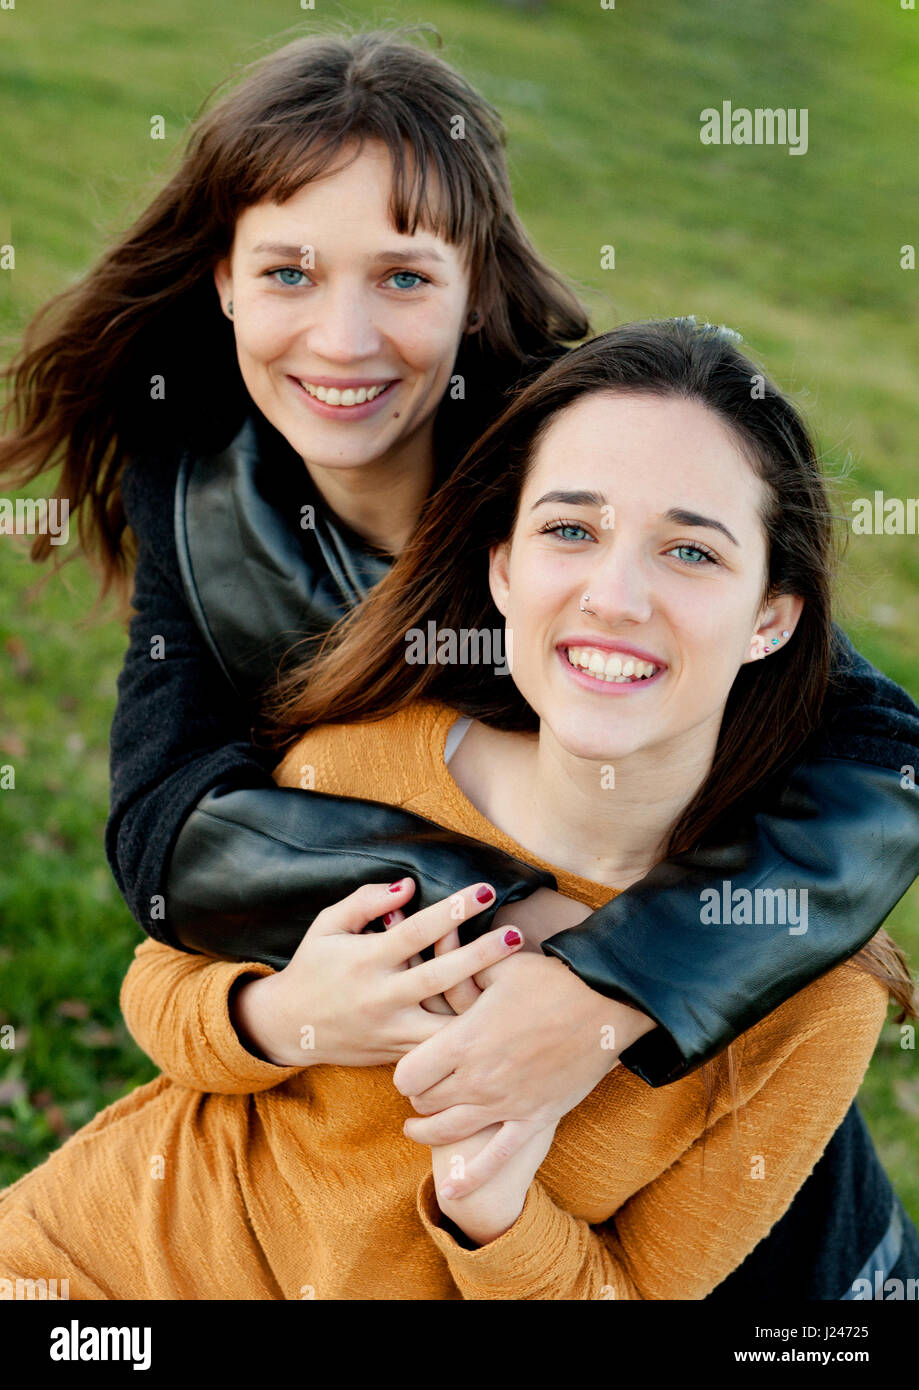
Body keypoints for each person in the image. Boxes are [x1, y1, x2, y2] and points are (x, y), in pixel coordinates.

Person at [2, 28, 918, 1195]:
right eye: (288, 272)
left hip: (687, 1075)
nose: (344, 340)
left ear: (472, 281)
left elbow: (882, 755)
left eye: (403, 277)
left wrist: (615, 974)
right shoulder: (189, 482)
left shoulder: (574, 450)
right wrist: (483, 912)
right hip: (407, 1096)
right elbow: (166, 825)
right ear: (224, 277)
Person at [1, 320, 916, 1300]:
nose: (614, 595)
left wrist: (495, 1216)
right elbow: (160, 983)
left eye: (690, 552)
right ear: (504, 569)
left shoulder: (814, 1003)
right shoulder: (373, 756)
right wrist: (286, 1017)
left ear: (770, 618)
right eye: (570, 530)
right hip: (84, 1262)